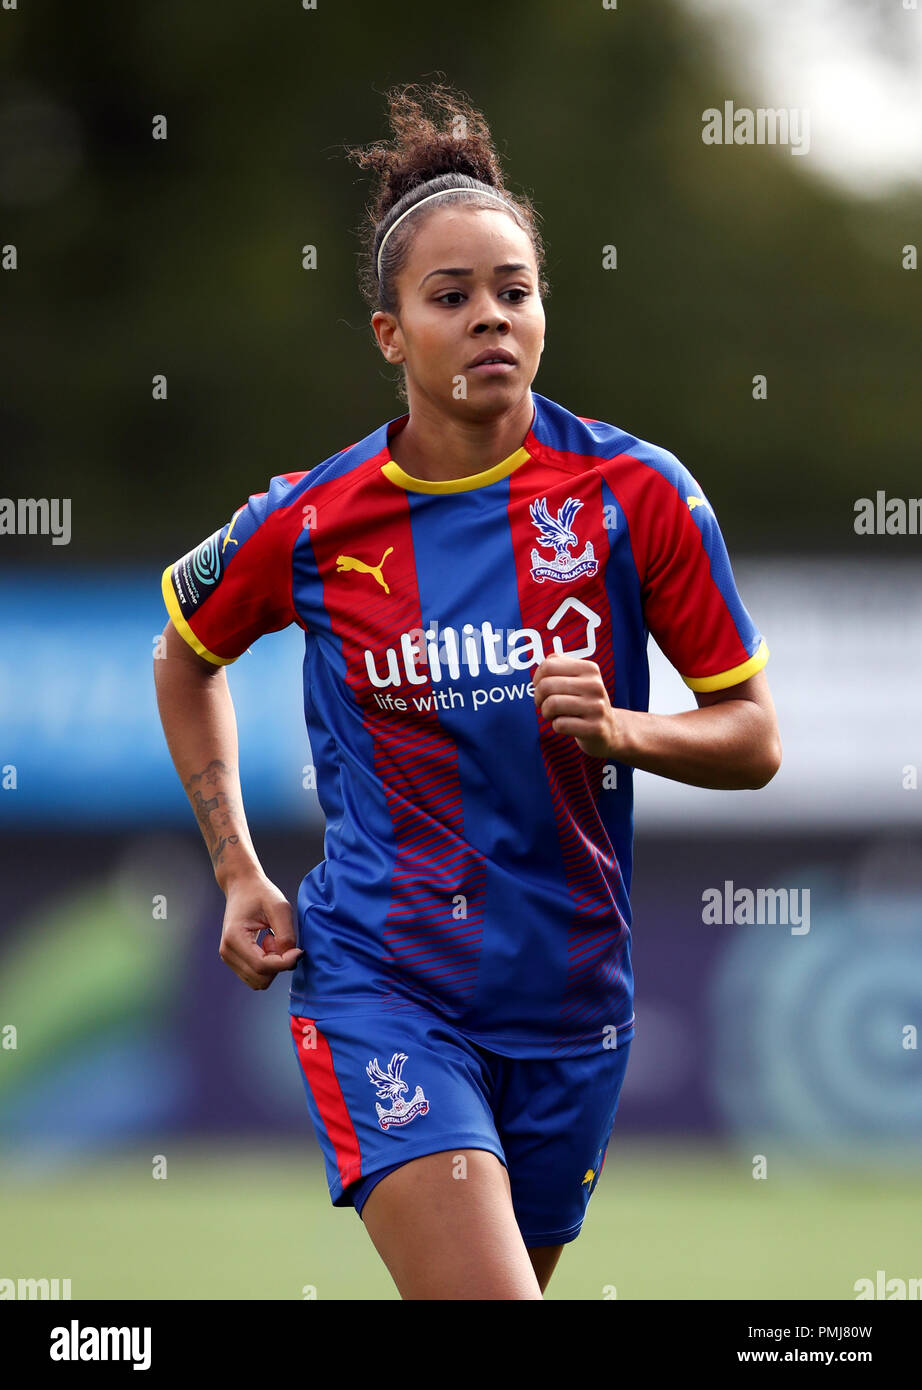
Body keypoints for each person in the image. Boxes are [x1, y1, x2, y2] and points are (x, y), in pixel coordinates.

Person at [154, 81, 781, 1301]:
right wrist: (235, 864)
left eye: (515, 290)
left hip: (572, 1000)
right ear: (391, 332)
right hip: (385, 983)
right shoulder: (309, 519)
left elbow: (753, 738)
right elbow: (183, 652)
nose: (492, 318)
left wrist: (622, 729)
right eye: (451, 298)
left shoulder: (637, 494)